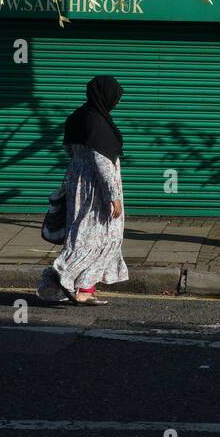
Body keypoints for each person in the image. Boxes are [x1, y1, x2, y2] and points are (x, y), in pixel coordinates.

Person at [36, 75, 128, 304]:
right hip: (97, 189)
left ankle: (85, 290)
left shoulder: (76, 118)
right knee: (103, 236)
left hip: (77, 181)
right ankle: (62, 275)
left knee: (83, 235)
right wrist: (114, 197)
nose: (116, 102)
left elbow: (69, 149)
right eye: (115, 97)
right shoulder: (97, 123)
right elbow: (103, 163)